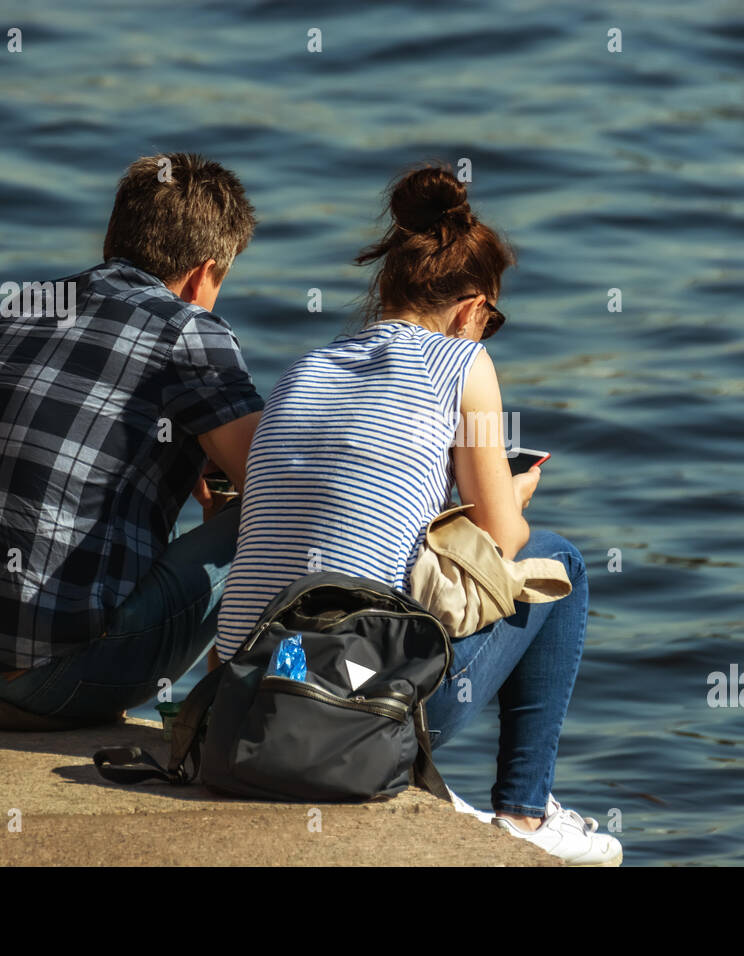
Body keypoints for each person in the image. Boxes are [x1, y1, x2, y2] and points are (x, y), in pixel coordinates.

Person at [215, 163, 621, 865]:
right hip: (358, 703)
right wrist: (514, 498)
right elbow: (502, 539)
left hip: (242, 698)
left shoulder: (305, 369)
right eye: (490, 319)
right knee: (562, 563)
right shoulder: (465, 367)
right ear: (471, 309)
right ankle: (525, 816)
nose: (487, 333)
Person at [0, 153, 263, 730]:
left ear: (112, 239)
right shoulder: (189, 329)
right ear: (203, 274)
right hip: (57, 676)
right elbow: (276, 486)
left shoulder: (23, 308)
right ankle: (255, 720)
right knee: (286, 510)